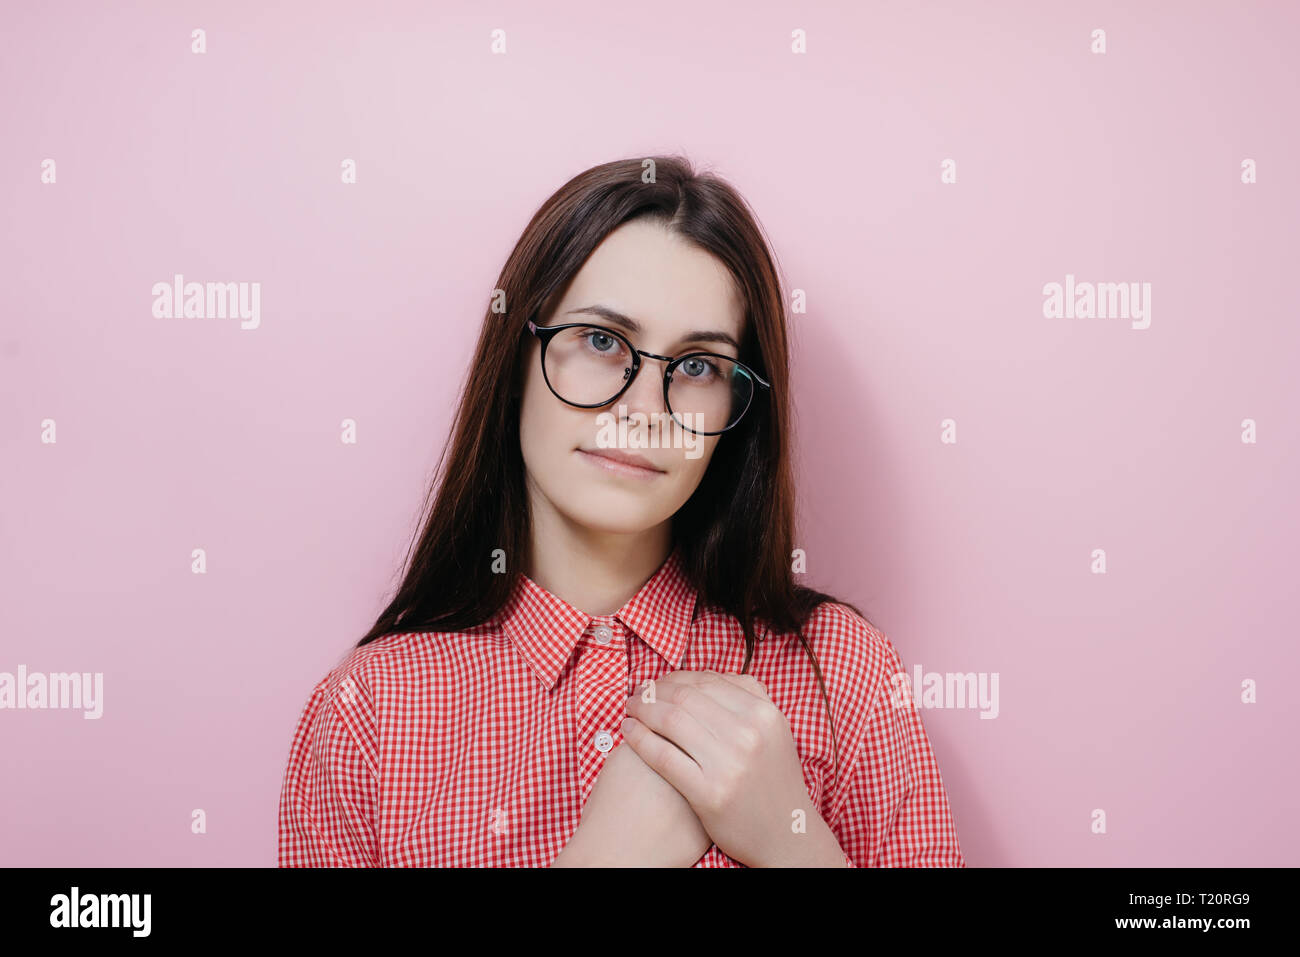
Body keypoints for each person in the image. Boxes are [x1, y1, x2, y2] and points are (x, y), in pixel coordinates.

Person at [277, 155, 965, 867]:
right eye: (602, 342)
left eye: (697, 364)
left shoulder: (843, 672)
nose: (642, 412)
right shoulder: (373, 711)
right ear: (517, 362)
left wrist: (790, 840)